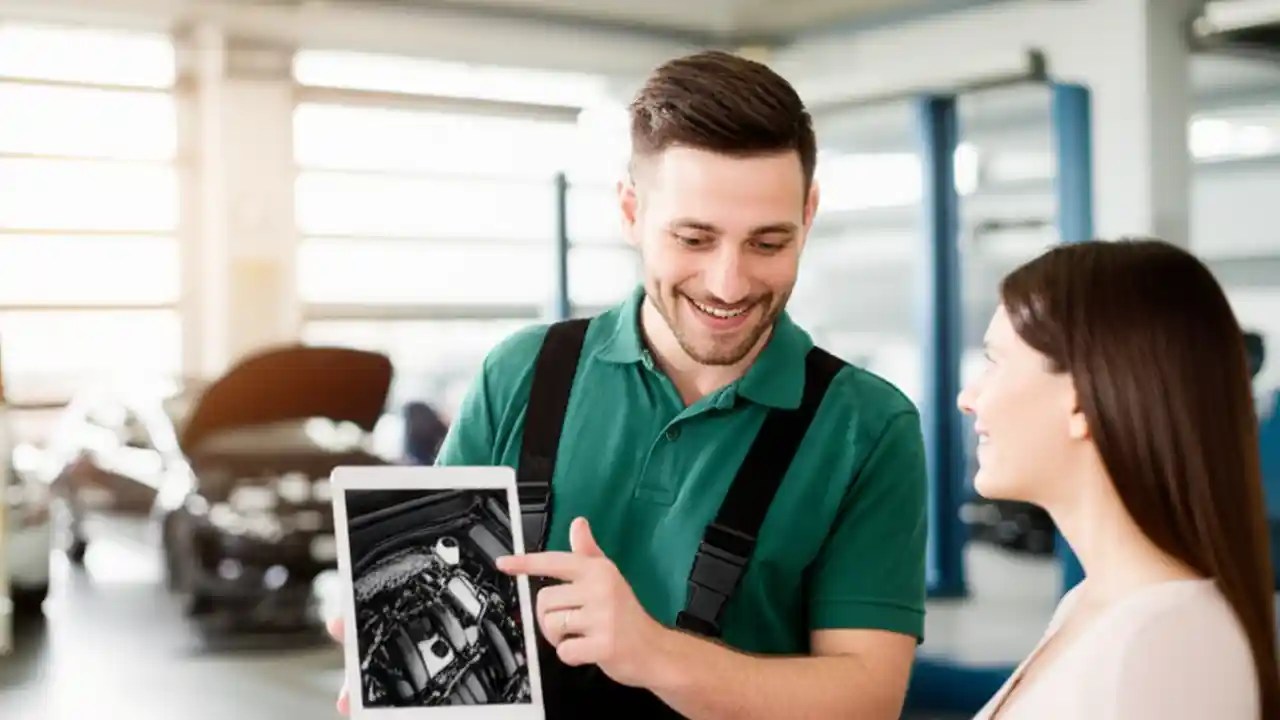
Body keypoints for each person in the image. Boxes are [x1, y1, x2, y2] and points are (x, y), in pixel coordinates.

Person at [330, 50, 929, 718]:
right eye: (694, 239)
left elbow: (867, 700)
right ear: (631, 211)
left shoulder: (869, 428)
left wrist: (654, 653)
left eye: (767, 243)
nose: (729, 284)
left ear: (809, 214)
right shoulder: (520, 373)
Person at [959, 239, 1280, 719]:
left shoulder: (1163, 644)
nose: (969, 397)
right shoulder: (1098, 605)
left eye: (995, 362)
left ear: (1081, 402)